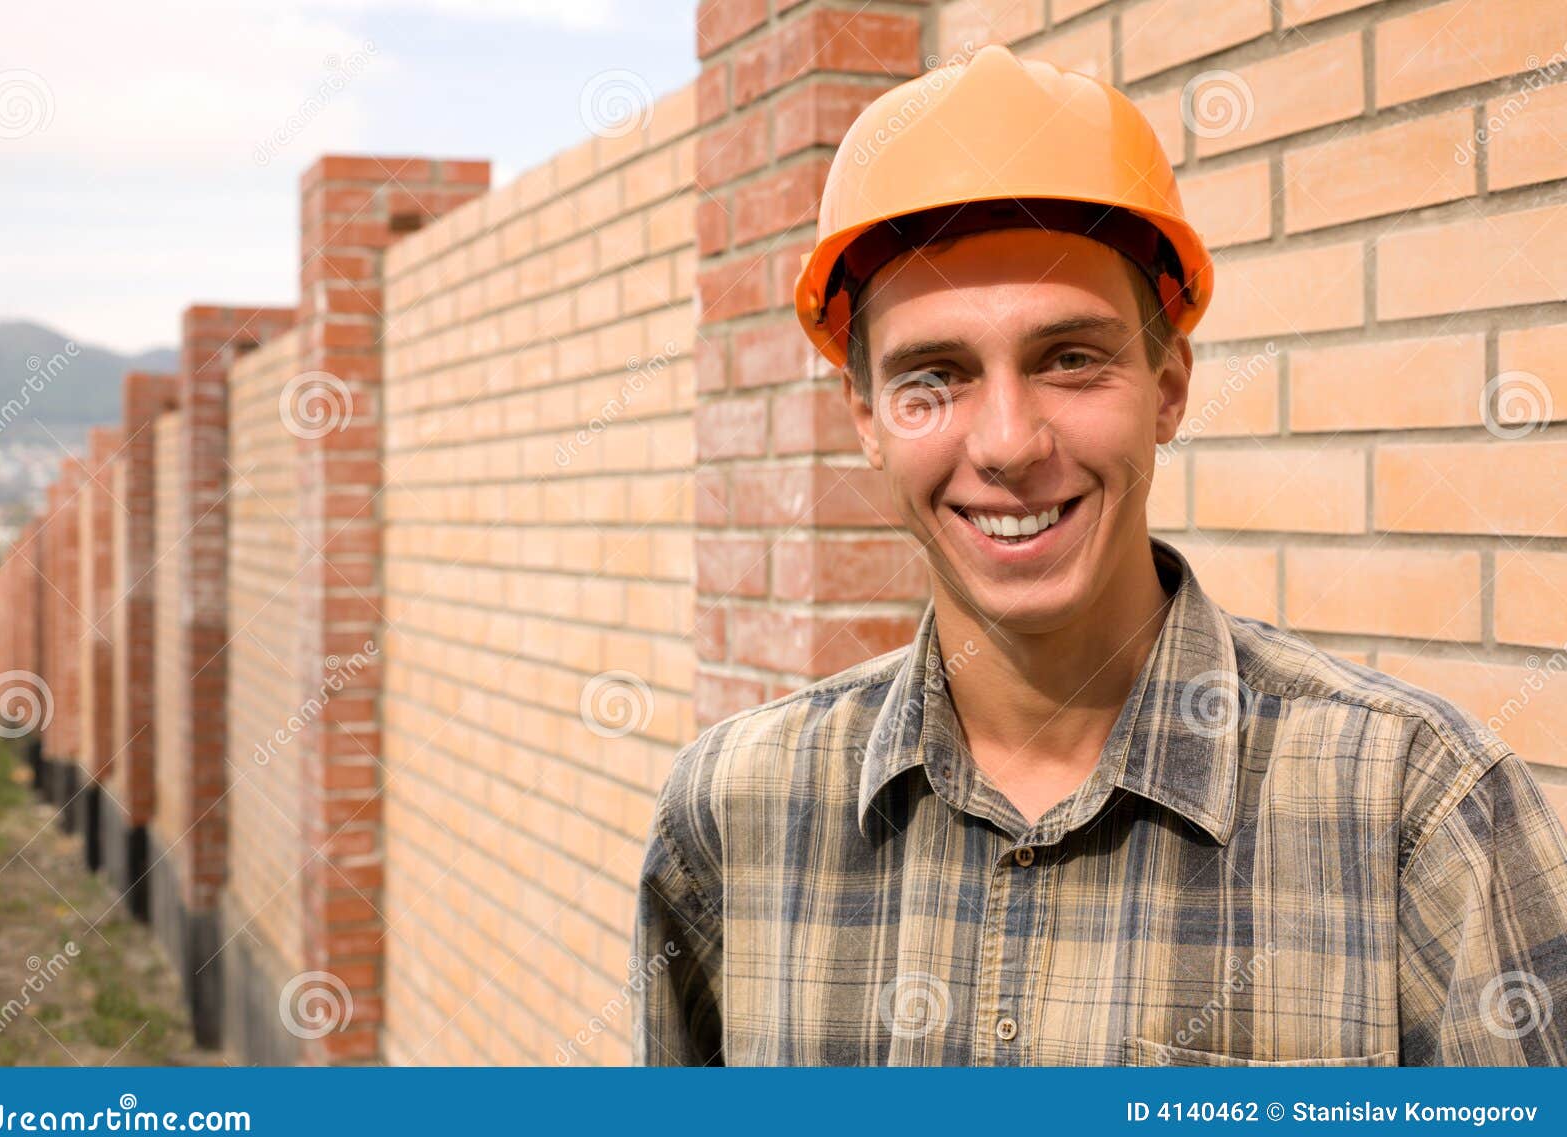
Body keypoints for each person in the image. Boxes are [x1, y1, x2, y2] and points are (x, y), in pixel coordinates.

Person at [632, 44, 1567, 1066]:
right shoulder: (730, 815)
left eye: (1070, 358)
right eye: (933, 375)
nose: (1007, 443)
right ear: (867, 414)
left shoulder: (1420, 813)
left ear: (1169, 383)